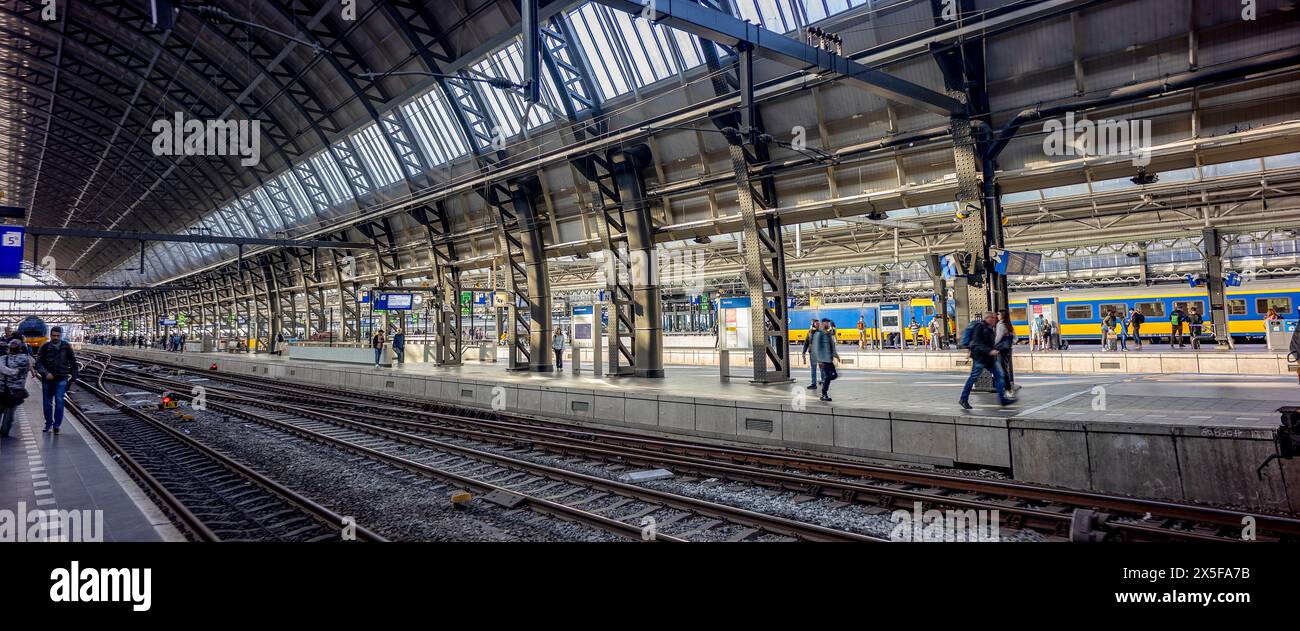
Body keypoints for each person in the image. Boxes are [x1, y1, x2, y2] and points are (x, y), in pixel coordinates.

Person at [959, 312, 1015, 409]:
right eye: (993, 318)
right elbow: (977, 344)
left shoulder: (989, 328)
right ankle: (963, 399)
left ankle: (1002, 399)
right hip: (980, 358)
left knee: (999, 375)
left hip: (989, 359)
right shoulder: (980, 327)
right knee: (973, 378)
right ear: (987, 318)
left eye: (995, 318)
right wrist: (989, 351)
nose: (995, 319)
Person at [34, 326, 78, 434]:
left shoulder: (66, 346)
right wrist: (45, 373)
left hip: (61, 377)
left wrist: (74, 376)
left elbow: (73, 361)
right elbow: (38, 363)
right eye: (54, 335)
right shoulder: (44, 347)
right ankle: (48, 423)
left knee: (59, 401)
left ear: (61, 335)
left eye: (58, 336)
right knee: (47, 403)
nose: (56, 337)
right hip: (47, 379)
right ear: (50, 335)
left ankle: (57, 425)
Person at [0, 339, 32, 437]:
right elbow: (16, 371)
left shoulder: (2, 358)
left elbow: (5, 370)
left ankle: (4, 432)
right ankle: (4, 432)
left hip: (2, 388)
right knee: (9, 412)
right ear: (20, 349)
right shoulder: (25, 359)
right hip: (16, 390)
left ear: (9, 348)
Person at [810, 318, 840, 402]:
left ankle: (823, 385)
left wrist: (836, 355)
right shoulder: (818, 334)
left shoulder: (827, 333)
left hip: (829, 359)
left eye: (828, 323)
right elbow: (815, 347)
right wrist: (818, 359)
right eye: (826, 323)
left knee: (834, 375)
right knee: (827, 376)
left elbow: (831, 345)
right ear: (823, 324)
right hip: (823, 360)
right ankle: (824, 394)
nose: (828, 324)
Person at [995, 309, 1018, 392]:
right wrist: (1009, 343)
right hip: (1008, 349)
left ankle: (1007, 388)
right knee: (1004, 367)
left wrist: (993, 346)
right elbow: (1016, 338)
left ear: (1002, 316)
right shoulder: (1008, 324)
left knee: (1002, 368)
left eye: (998, 314)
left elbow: (998, 338)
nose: (997, 316)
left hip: (1001, 350)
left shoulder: (1000, 325)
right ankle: (1007, 387)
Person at [801, 320, 819, 390]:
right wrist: (803, 352)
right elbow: (806, 342)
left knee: (822, 368)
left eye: (818, 323)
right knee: (813, 368)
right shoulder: (809, 332)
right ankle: (814, 383)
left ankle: (824, 381)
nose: (817, 325)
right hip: (812, 352)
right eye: (815, 324)